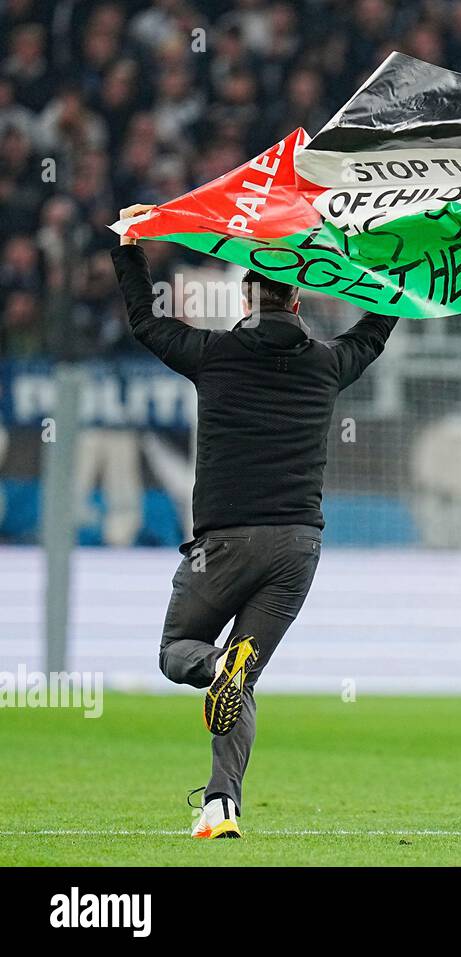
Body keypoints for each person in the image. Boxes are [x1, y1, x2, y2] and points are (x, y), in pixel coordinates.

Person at [110, 203, 400, 839]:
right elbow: (373, 333)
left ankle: (216, 670)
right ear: (297, 300)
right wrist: (402, 271)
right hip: (298, 548)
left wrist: (130, 246)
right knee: (243, 679)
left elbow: (143, 322)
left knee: (176, 654)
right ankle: (221, 806)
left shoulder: (212, 356)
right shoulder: (326, 364)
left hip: (223, 546)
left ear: (247, 296)